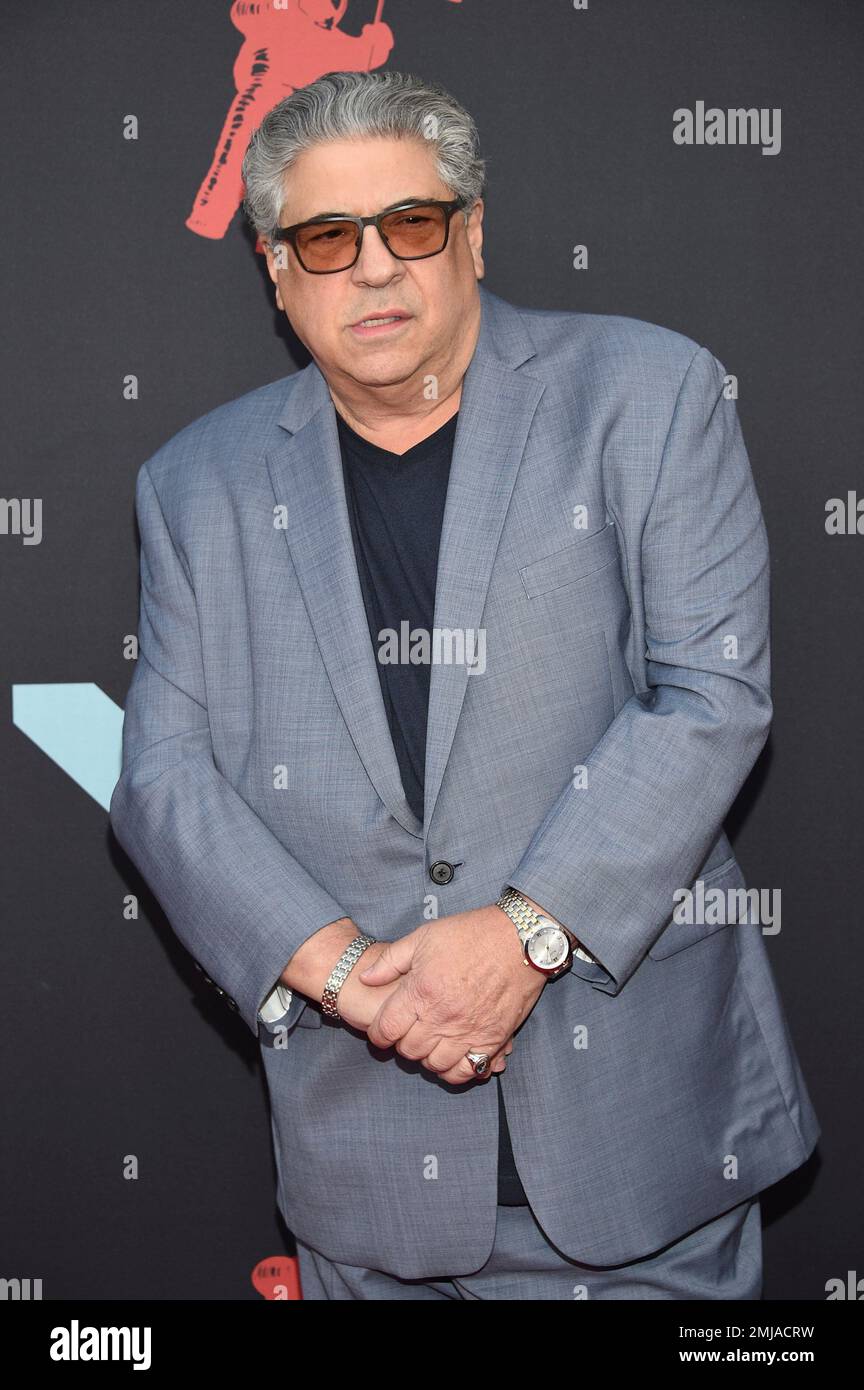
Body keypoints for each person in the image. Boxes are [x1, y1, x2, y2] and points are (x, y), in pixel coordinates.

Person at [110, 68, 820, 1299]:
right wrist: (347, 978)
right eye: (327, 238)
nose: (373, 269)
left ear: (473, 231)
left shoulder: (646, 397)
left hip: (643, 1154)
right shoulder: (194, 485)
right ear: (276, 268)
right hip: (361, 1181)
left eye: (412, 225)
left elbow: (711, 695)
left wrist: (527, 934)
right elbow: (166, 780)